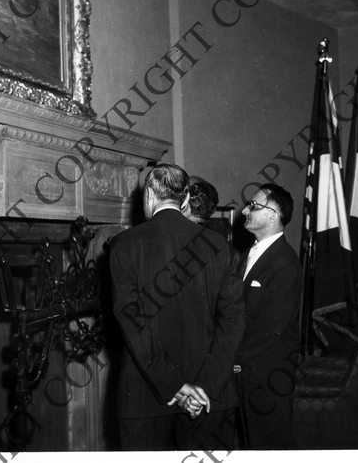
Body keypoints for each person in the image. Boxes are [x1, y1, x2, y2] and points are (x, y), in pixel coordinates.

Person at [109, 164, 245, 450]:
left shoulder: (125, 244)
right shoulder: (220, 245)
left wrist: (175, 385)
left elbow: (131, 322)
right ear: (185, 199)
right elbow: (233, 322)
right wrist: (204, 387)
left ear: (148, 195)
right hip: (211, 398)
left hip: (145, 397)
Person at [234, 184, 303, 449]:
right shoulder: (251, 253)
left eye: (253, 205)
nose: (245, 210)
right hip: (249, 369)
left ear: (273, 215)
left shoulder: (284, 263)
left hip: (268, 373)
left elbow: (270, 326)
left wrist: (234, 358)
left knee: (270, 445)